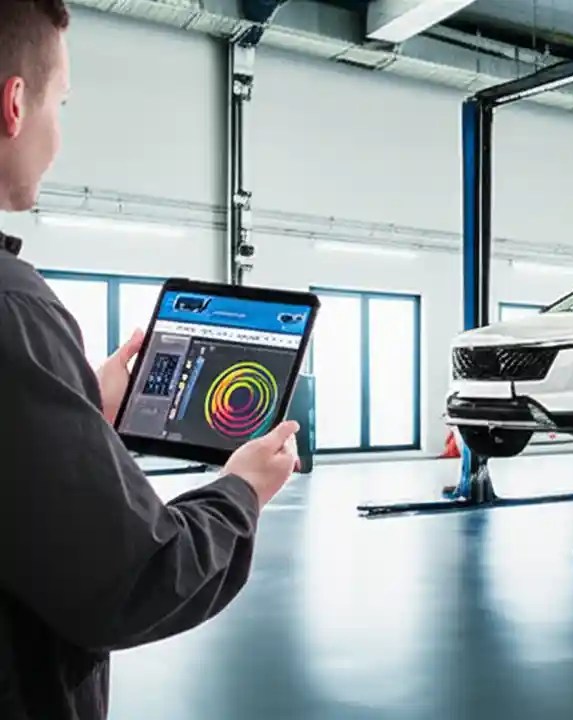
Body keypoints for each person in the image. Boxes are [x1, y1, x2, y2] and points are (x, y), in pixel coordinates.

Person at [0, 1, 302, 717]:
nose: (57, 133)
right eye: (60, 104)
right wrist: (241, 491)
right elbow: (133, 576)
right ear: (14, 104)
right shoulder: (15, 310)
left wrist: (75, 401)